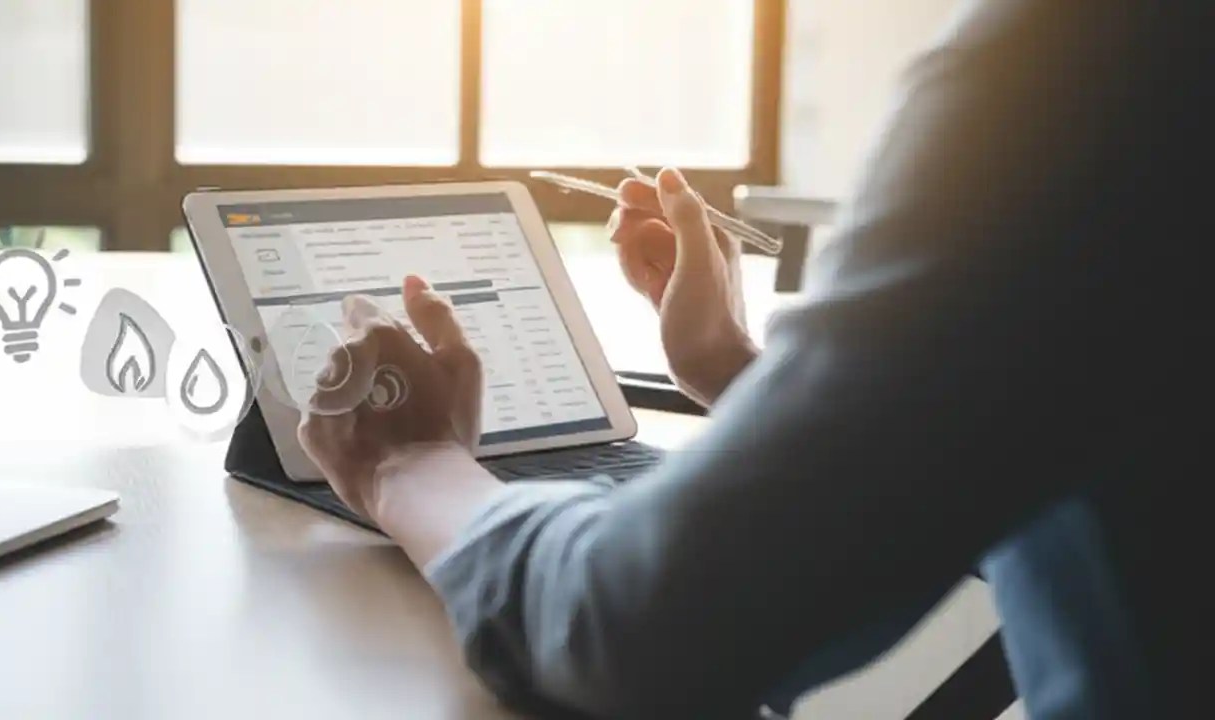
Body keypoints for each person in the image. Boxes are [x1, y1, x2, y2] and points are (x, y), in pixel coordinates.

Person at [298, 1, 1204, 717]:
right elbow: (998, 452)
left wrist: (410, 466)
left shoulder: (1078, 69)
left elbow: (646, 628)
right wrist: (732, 366)